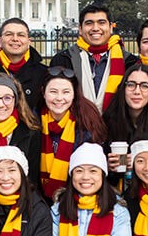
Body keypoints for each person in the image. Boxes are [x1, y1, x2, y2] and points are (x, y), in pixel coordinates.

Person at [37, 66, 108, 201]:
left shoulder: (87, 122)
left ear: (74, 94)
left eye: (66, 92)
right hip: (41, 197)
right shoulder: (33, 122)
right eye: (53, 92)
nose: (59, 98)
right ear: (43, 92)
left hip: (77, 194)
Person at [50, 3, 137, 113]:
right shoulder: (63, 60)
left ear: (110, 28)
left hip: (117, 127)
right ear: (80, 29)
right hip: (75, 127)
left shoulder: (129, 62)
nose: (95, 28)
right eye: (89, 23)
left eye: (101, 23)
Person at [103, 65, 148, 193]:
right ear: (123, 88)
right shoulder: (110, 120)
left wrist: (142, 163)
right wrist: (108, 166)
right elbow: (97, 171)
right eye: (131, 85)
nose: (137, 91)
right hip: (116, 193)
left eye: (144, 86)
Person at [0, 18, 49, 110]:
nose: (15, 39)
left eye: (21, 35)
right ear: (0, 41)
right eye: (9, 34)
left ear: (29, 41)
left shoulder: (44, 73)